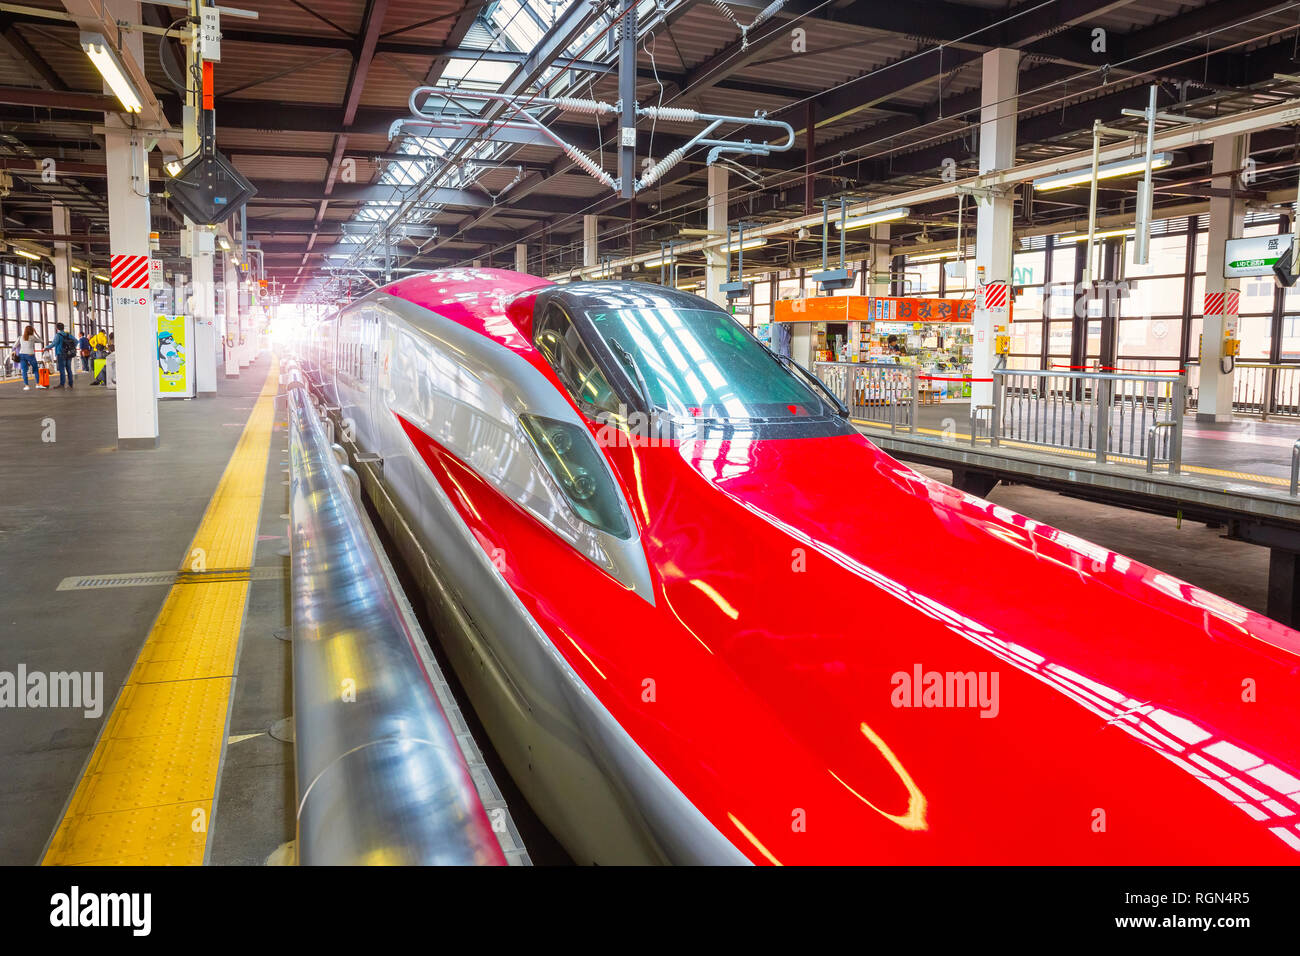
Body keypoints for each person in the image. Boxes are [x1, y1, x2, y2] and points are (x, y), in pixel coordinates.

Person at [16, 325, 43, 389]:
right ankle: (37, 384)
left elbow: (15, 345)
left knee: (24, 371)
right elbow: (41, 340)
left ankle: (26, 386)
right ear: (32, 331)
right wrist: (36, 333)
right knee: (36, 369)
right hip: (30, 355)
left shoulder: (20, 337)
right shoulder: (33, 337)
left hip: (22, 354)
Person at [51, 322, 76, 389]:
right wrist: (71, 347)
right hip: (69, 354)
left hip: (61, 353)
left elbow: (54, 343)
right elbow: (76, 341)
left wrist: (46, 347)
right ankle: (70, 384)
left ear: (57, 328)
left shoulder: (58, 335)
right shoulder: (68, 334)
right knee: (69, 369)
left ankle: (62, 384)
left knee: (62, 369)